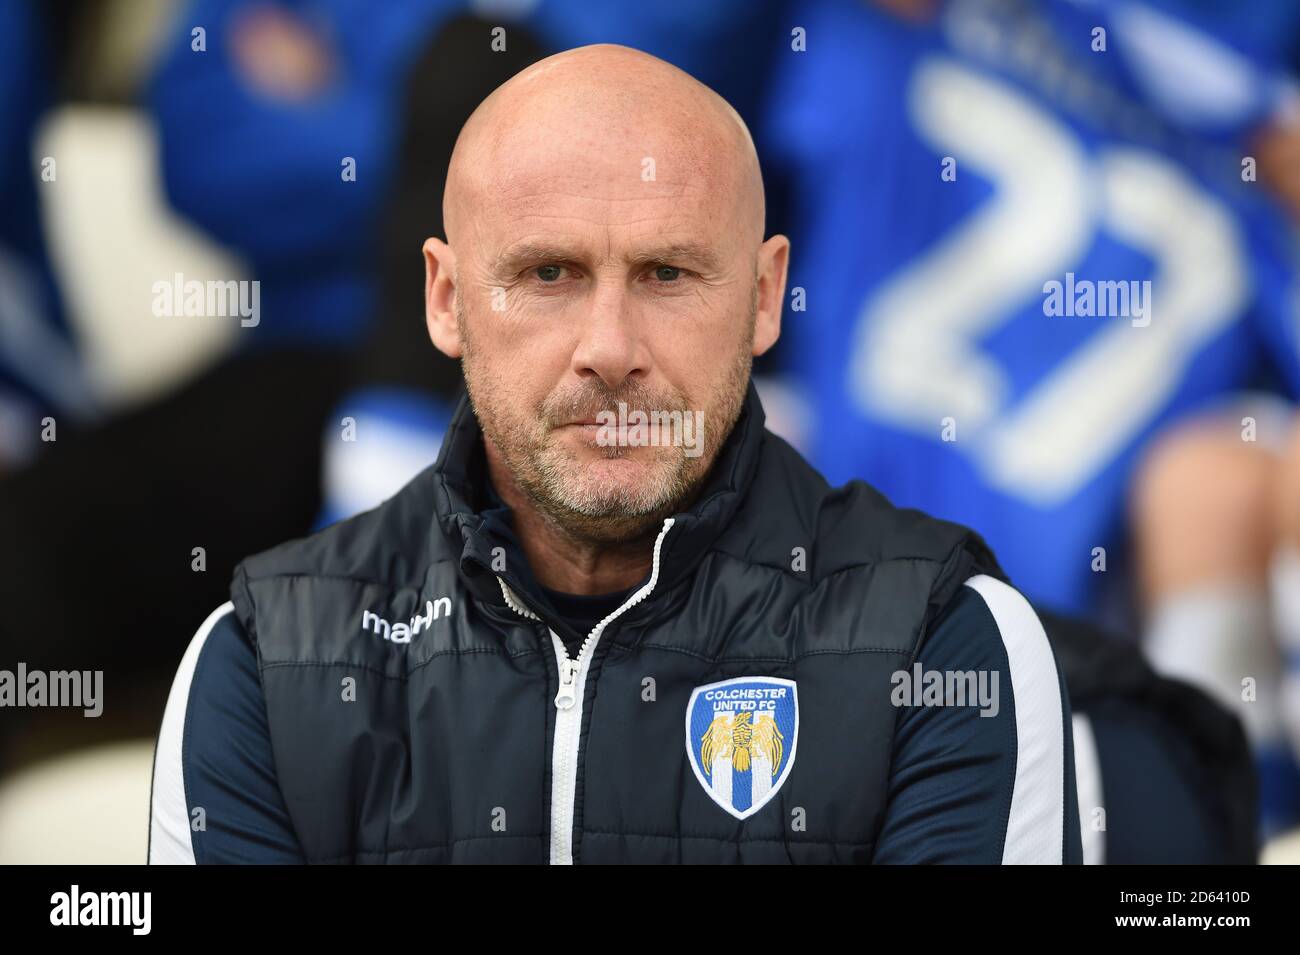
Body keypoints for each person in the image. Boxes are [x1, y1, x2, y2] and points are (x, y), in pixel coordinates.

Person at [148, 44, 1080, 864]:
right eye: (548, 274)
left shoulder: (944, 642)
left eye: (667, 274)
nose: (609, 345)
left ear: (764, 297)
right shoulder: (266, 662)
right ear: (445, 299)